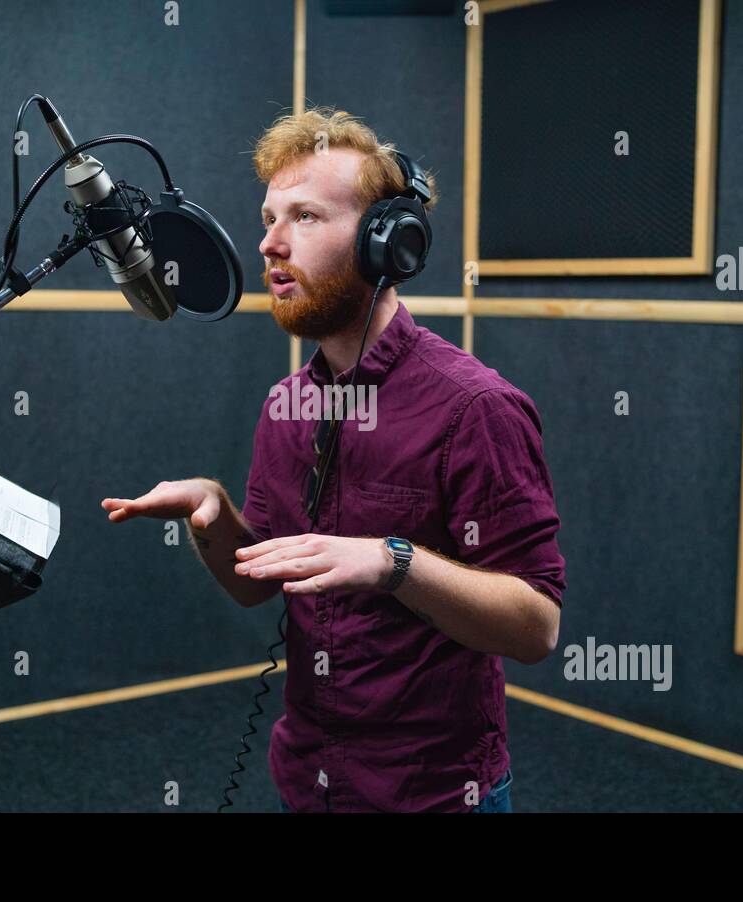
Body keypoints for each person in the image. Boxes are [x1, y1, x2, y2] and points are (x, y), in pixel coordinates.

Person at [102, 107, 565, 812]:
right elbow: (259, 583)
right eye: (268, 218)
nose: (269, 244)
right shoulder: (286, 406)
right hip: (308, 782)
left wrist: (394, 562)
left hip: (434, 796)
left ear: (386, 244)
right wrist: (214, 516)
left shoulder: (474, 409)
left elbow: (535, 626)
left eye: (306, 217)